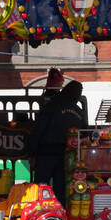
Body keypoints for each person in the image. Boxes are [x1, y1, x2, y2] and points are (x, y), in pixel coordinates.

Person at [30, 79, 85, 207]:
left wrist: (32, 153)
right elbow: (84, 133)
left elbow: (38, 130)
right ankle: (60, 213)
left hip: (45, 153)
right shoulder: (78, 111)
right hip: (66, 156)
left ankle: (38, 211)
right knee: (61, 189)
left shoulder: (50, 107)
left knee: (40, 187)